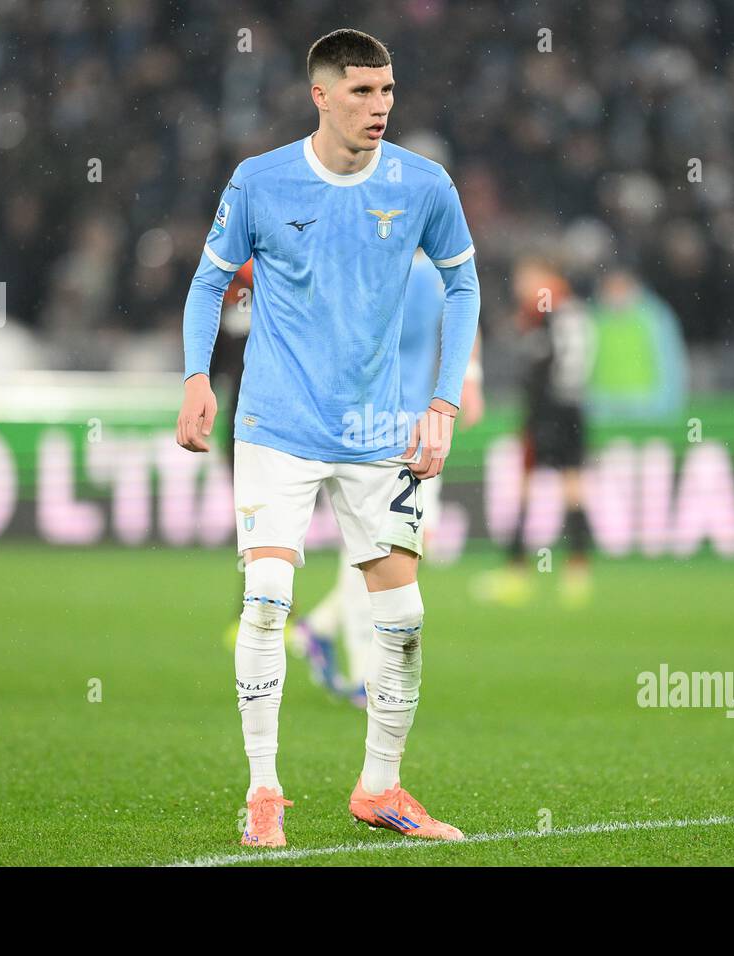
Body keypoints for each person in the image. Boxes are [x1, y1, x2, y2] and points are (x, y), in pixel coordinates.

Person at [177, 29, 480, 847]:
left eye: (387, 92)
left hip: (381, 431)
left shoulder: (424, 184)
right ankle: (264, 791)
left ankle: (381, 787)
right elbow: (209, 280)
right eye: (362, 93)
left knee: (405, 617)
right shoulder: (260, 181)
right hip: (277, 425)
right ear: (321, 94)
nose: (380, 107)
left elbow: (464, 281)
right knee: (268, 602)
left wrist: (443, 402)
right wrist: (196, 378)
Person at [292, 246, 485, 706]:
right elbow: (465, 307)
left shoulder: (387, 267)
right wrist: (469, 379)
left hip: (404, 425)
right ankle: (362, 671)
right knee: (380, 547)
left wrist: (469, 379)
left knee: (393, 546)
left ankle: (320, 630)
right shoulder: (423, 272)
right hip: (384, 428)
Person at [473, 257, 595, 608]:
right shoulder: (574, 311)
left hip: (547, 409)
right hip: (571, 408)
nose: (520, 286)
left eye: (526, 278)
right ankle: (577, 570)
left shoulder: (549, 312)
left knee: (529, 488)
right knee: (572, 487)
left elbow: (544, 362)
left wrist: (535, 402)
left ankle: (517, 571)